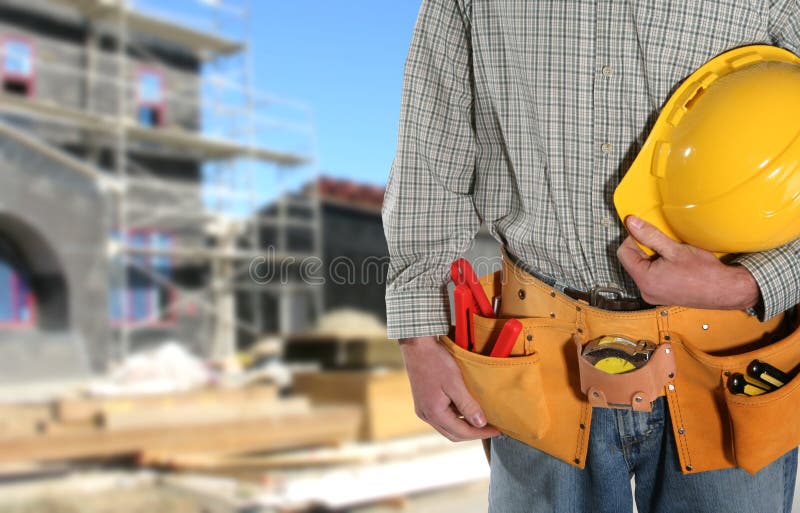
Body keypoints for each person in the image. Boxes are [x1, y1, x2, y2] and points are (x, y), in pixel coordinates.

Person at [382, 1, 800, 512]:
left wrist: (750, 284)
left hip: (726, 361)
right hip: (535, 357)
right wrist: (418, 334)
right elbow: (432, 149)